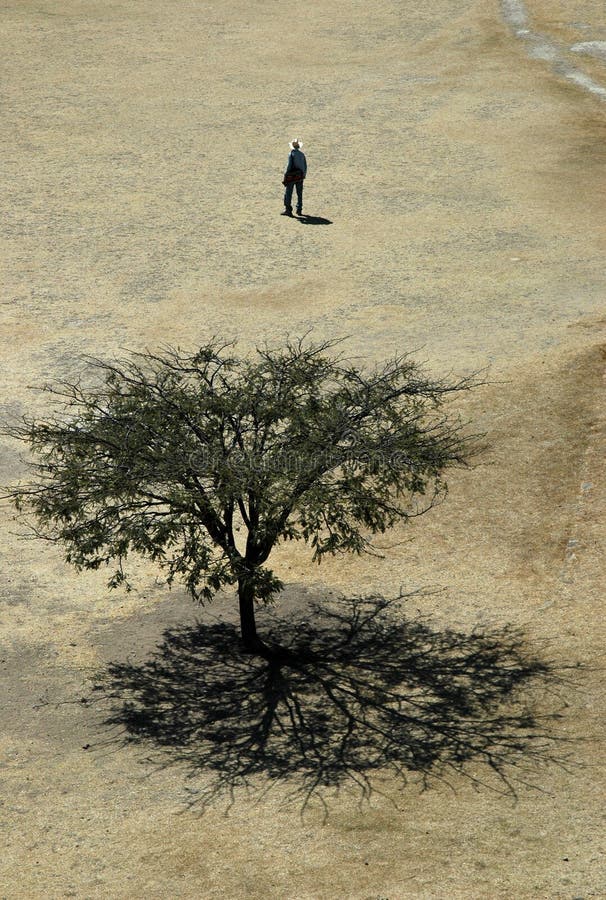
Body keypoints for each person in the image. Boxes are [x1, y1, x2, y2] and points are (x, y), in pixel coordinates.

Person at [282, 138, 307, 216]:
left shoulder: (291, 154)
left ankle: (288, 210)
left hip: (292, 176)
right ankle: (299, 209)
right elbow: (305, 166)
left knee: (288, 193)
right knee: (299, 193)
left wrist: (286, 175)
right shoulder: (302, 154)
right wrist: (303, 175)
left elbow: (289, 166)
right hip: (300, 176)